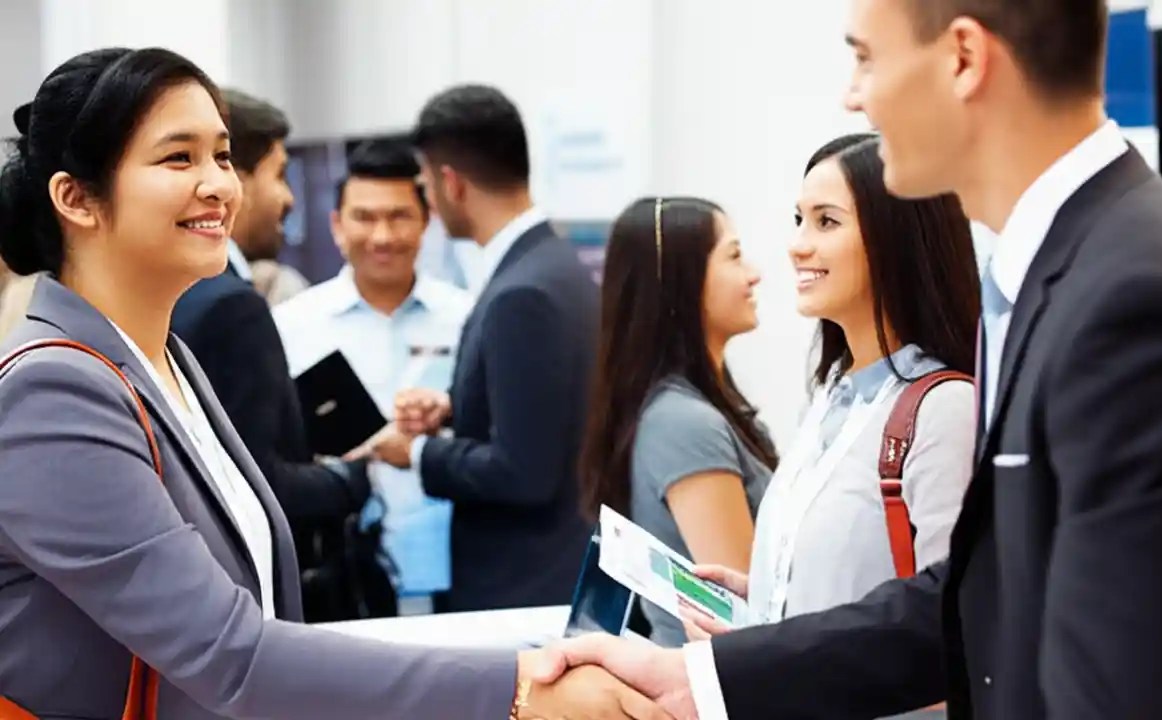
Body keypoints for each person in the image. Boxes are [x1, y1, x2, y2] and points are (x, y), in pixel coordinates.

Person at [547, 0, 1162, 718]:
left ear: (963, 57)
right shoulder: (1060, 274)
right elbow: (973, 599)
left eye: (865, 56)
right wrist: (699, 677)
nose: (852, 94)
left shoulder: (1136, 296)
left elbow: (1126, 684)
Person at [0, 47, 667, 720]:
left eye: (224, 157)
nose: (219, 186)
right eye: (179, 158)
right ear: (76, 198)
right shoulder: (53, 392)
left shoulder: (167, 363)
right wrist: (518, 687)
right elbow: (232, 654)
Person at [682, 134, 977, 651]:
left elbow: (952, 628)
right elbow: (857, 591)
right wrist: (768, 604)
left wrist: (779, 648)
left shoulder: (944, 408)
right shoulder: (832, 398)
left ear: (896, 237)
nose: (797, 245)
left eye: (827, 221)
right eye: (799, 219)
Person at [354, 85, 598, 613]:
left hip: (522, 584)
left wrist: (414, 452)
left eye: (425, 186)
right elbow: (543, 417)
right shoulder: (551, 266)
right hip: (547, 573)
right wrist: (454, 412)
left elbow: (522, 471)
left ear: (450, 183)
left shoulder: (522, 293)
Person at [170, 88, 377, 622]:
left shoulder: (180, 290)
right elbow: (256, 484)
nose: (288, 198)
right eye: (279, 174)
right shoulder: (232, 304)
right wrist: (351, 477)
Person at [274, 139, 473, 610]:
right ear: (337, 226)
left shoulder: (469, 319)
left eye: (399, 216)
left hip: (458, 562)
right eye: (364, 218)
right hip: (343, 573)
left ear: (427, 222)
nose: (382, 236)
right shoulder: (293, 325)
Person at [578, 196, 778, 648]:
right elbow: (742, 611)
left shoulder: (701, 407)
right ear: (680, 283)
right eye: (733, 256)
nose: (754, 274)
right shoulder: (682, 422)